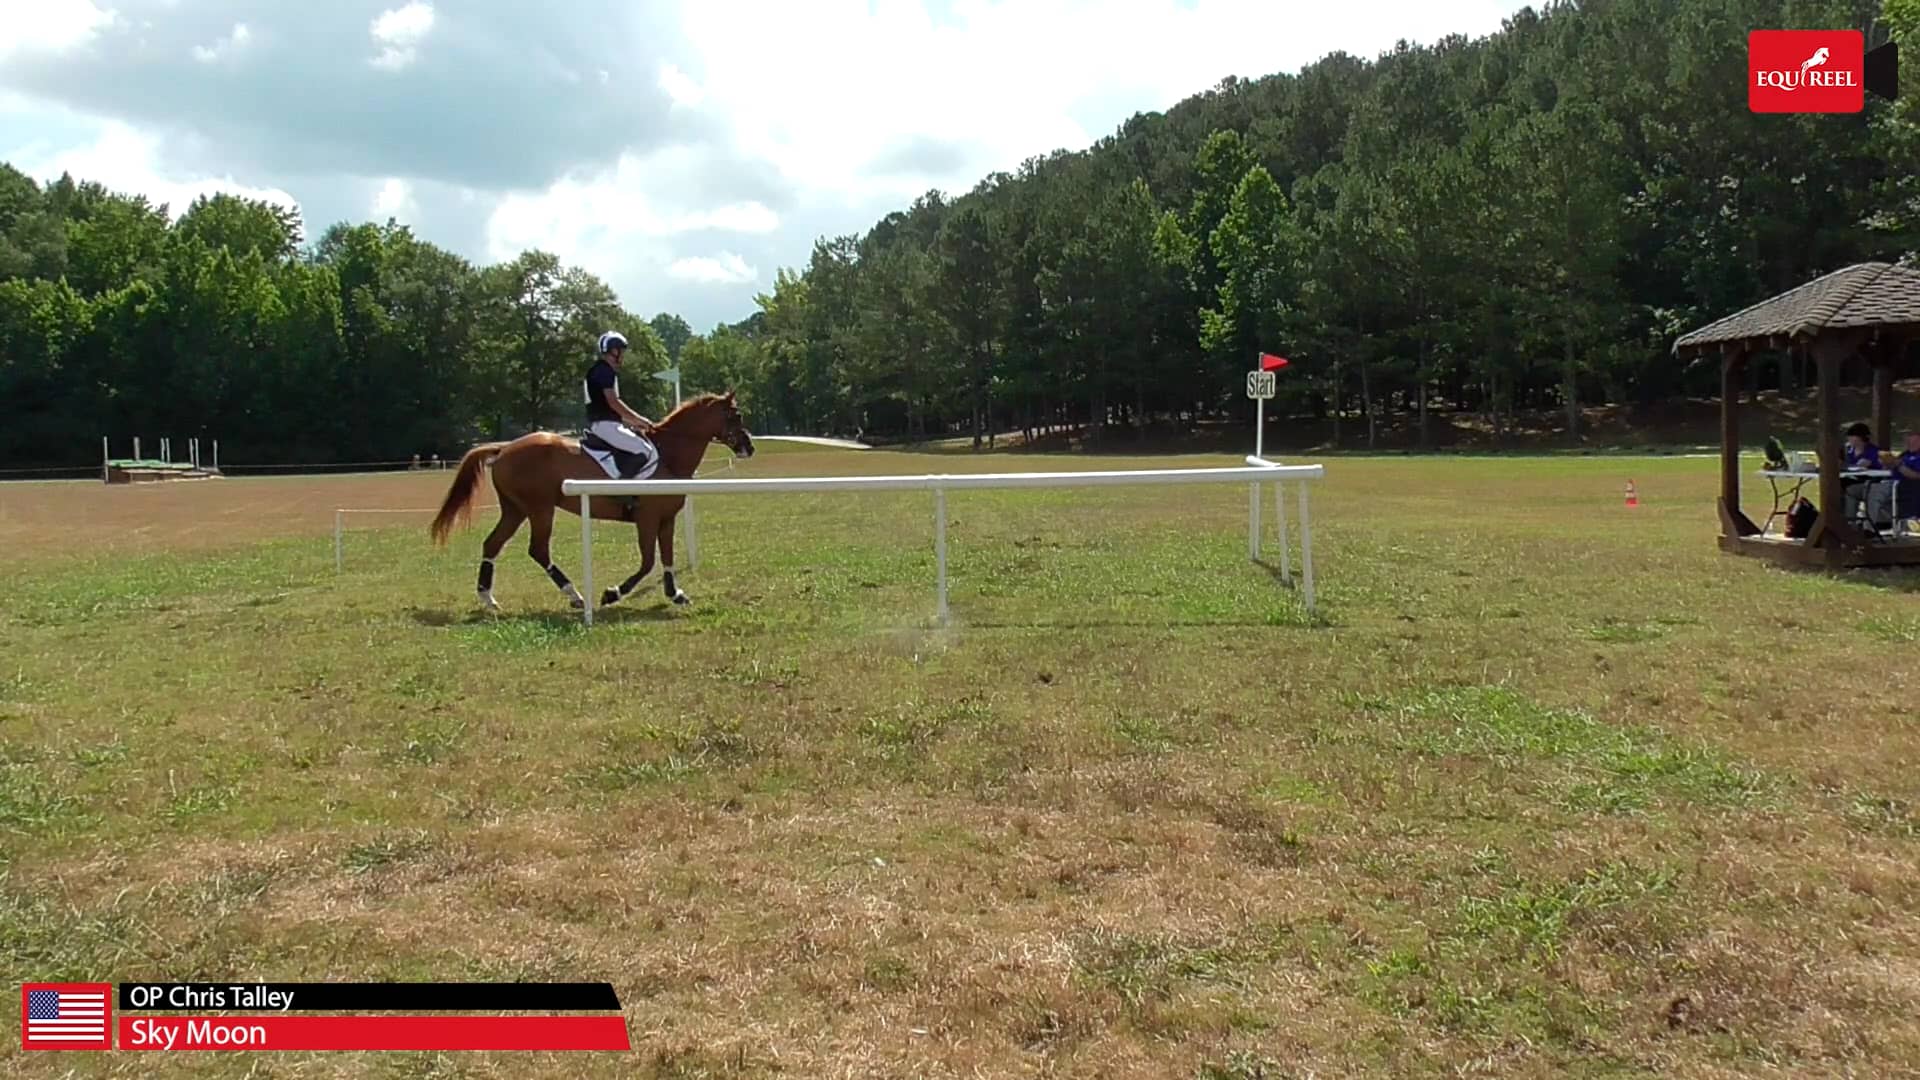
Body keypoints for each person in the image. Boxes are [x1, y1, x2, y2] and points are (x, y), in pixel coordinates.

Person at [583, 331, 659, 478]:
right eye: (621, 351)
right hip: (605, 425)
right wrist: (639, 420)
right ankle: (622, 490)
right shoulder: (605, 371)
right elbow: (613, 402)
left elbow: (609, 406)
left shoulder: (600, 369)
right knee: (644, 450)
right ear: (613, 351)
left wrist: (632, 423)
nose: (623, 356)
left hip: (607, 423)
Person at [1841, 422, 1891, 531]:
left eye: (1852, 437)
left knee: (1849, 491)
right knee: (1841, 489)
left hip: (1871, 484)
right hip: (1852, 481)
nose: (1849, 440)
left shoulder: (1873, 451)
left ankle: (1853, 524)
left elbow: (1869, 466)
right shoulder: (1848, 451)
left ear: (1860, 438)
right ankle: (1848, 523)